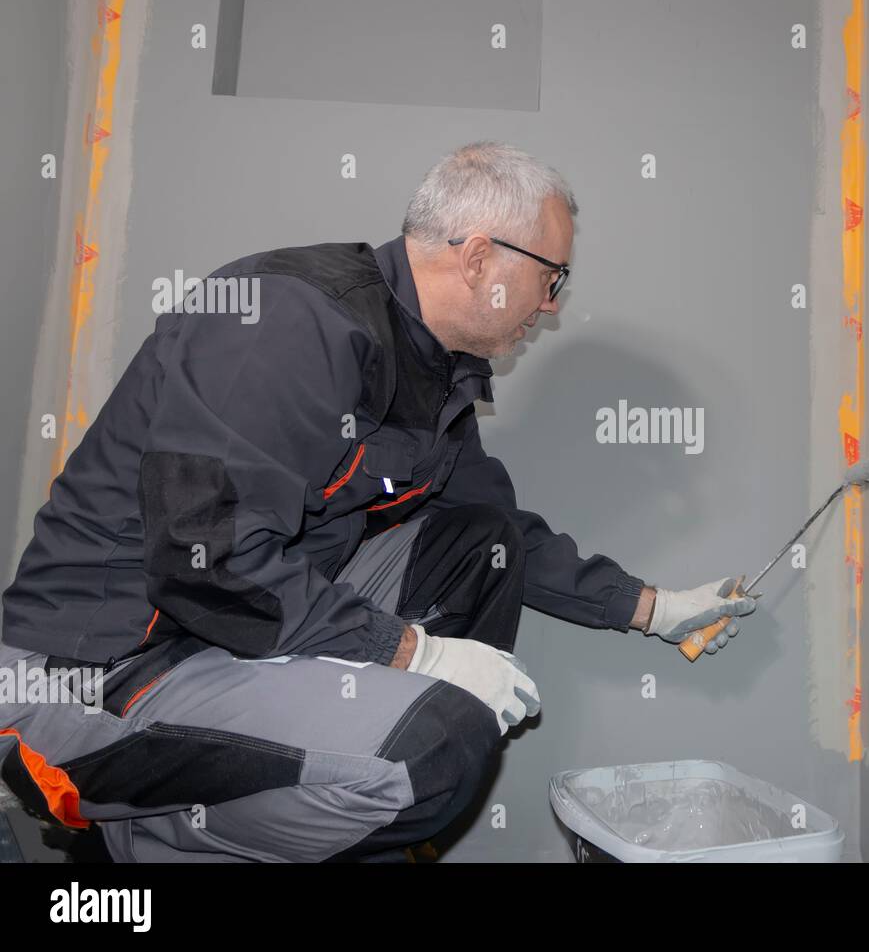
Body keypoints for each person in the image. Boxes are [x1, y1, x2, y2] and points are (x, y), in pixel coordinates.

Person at [0, 141, 756, 861]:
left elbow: (509, 538)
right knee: (441, 738)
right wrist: (415, 653)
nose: (552, 306)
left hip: (229, 639)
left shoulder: (435, 373)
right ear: (479, 255)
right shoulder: (287, 321)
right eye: (552, 277)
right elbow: (209, 564)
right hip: (97, 671)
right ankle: (144, 842)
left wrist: (652, 608)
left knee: (481, 544)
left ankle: (312, 810)